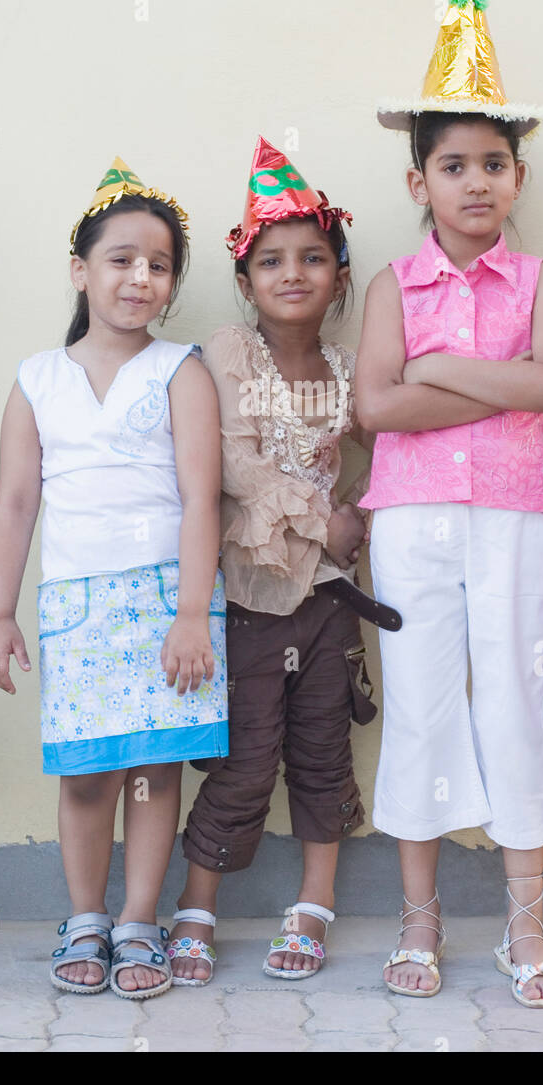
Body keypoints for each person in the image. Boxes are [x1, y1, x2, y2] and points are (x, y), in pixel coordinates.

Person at [356, 0, 543, 1005]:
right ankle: (419, 922)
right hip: (411, 520)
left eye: (496, 162)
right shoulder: (390, 284)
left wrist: (437, 370)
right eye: (454, 165)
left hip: (518, 520)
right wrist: (494, 383)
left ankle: (524, 930)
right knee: (422, 704)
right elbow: (376, 407)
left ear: (519, 178)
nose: (477, 180)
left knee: (516, 708)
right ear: (418, 182)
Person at [0, 158, 226, 1001]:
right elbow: (16, 504)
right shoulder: (36, 381)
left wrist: (192, 612)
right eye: (121, 259)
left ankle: (138, 920)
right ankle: (85, 915)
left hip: (164, 602)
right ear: (80, 269)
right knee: (85, 773)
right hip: (75, 608)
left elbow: (202, 499)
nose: (140, 277)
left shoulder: (180, 370)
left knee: (157, 769)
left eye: (159, 265)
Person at [170, 138, 386, 985]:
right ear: (245, 279)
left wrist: (357, 520)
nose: (292, 273)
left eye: (312, 258)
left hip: (331, 600)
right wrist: (322, 522)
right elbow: (238, 466)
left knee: (323, 750)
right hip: (254, 600)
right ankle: (196, 908)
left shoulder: (347, 369)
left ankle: (314, 907)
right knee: (246, 754)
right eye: (271, 261)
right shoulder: (230, 353)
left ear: (338, 272)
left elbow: (374, 469)